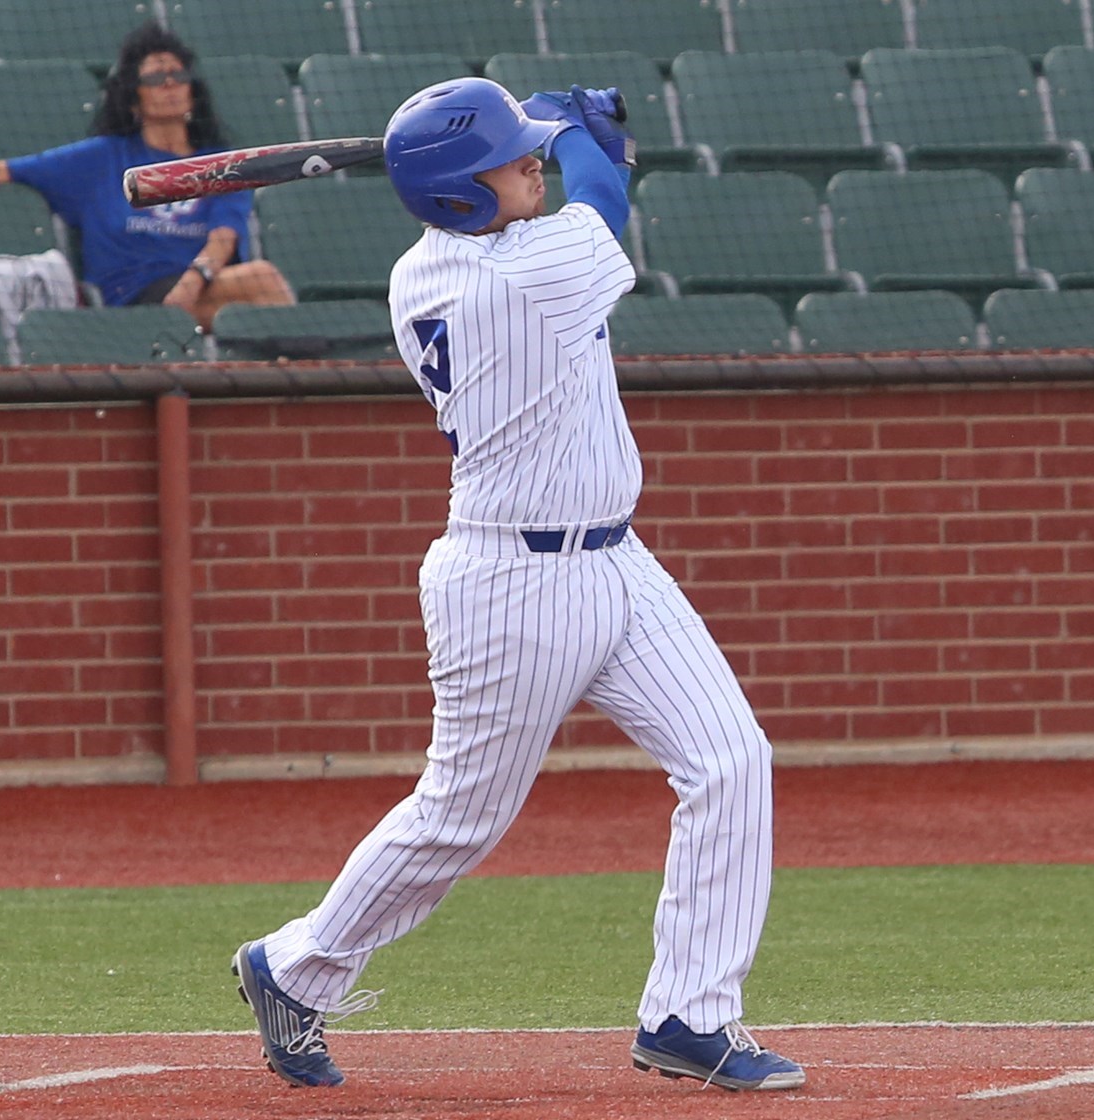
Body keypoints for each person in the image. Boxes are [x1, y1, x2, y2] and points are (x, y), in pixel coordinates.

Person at [229, 78, 806, 1094]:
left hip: (616, 558)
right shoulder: (514, 275)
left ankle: (687, 1013)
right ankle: (293, 966)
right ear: (456, 195)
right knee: (458, 819)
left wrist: (541, 127)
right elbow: (603, 194)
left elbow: (568, 183)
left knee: (730, 759)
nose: (533, 163)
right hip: (508, 581)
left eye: (532, 150)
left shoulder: (439, 261)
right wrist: (588, 134)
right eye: (511, 157)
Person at [0, 21, 294, 331]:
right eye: (156, 77)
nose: (170, 84)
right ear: (132, 97)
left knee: (261, 282)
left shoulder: (219, 162)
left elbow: (224, 238)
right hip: (130, 296)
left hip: (199, 288)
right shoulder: (99, 159)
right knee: (262, 284)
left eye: (178, 74)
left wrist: (190, 284)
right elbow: (2, 169)